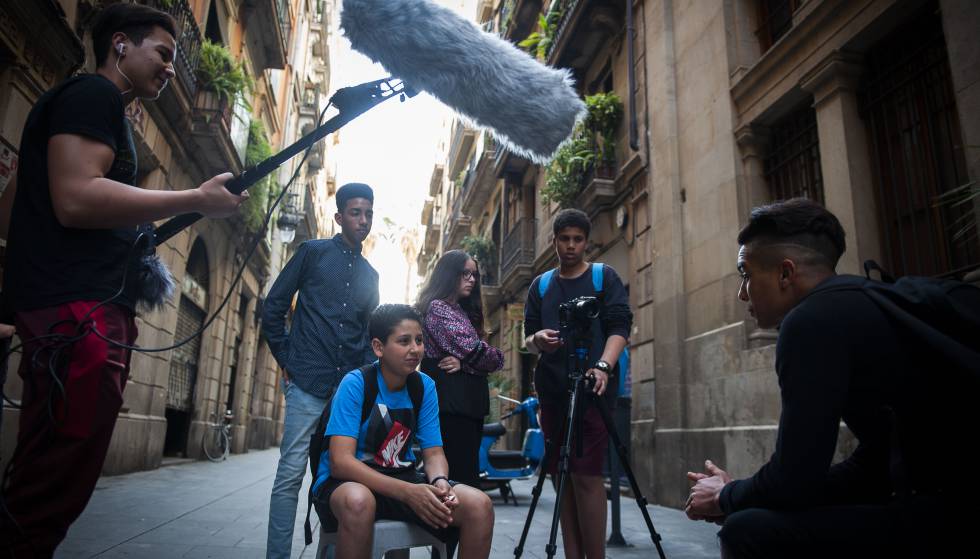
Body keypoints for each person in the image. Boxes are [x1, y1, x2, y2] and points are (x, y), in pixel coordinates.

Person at [0, 4, 246, 556]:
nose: (169, 67)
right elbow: (75, 197)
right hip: (77, 316)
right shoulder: (94, 98)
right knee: (59, 470)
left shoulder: (88, 106)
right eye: (162, 53)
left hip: (70, 311)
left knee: (51, 466)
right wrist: (196, 199)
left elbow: (14, 204)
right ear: (120, 45)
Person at [685, 198, 980, 558]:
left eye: (746, 274)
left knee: (747, 532)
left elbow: (794, 479)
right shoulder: (870, 299)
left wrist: (724, 497)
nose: (742, 293)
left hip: (953, 516)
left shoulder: (810, 322)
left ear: (785, 273)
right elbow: (872, 467)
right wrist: (740, 495)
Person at [313, 304, 494, 559]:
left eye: (419, 340)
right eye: (404, 341)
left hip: (402, 477)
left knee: (479, 505)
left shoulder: (424, 387)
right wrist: (408, 493)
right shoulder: (356, 383)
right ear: (379, 347)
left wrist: (440, 482)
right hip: (348, 483)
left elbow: (433, 453)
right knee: (358, 501)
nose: (415, 349)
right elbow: (340, 462)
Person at [261, 182, 380, 559]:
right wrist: (287, 360)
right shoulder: (312, 253)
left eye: (368, 213)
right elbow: (274, 307)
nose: (363, 220)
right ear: (339, 216)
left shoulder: (371, 276)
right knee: (290, 476)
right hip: (307, 384)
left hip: (347, 393)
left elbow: (367, 335)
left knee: (341, 476)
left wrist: (361, 382)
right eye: (356, 212)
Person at [523, 208, 633, 559]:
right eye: (564, 239)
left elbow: (619, 328)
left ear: (586, 241)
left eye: (578, 239)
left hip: (593, 392)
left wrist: (603, 366)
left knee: (586, 476)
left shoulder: (604, 278)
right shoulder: (541, 285)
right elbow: (527, 338)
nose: (571, 246)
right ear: (554, 241)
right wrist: (537, 339)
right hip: (553, 392)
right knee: (561, 476)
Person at [416, 249, 504, 488]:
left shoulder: (460, 311)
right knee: (460, 483)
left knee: (465, 480)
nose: (472, 280)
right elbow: (487, 356)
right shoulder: (439, 309)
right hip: (453, 408)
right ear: (448, 274)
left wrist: (465, 364)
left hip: (466, 407)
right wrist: (475, 360)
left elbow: (479, 357)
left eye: (474, 275)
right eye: (465, 273)